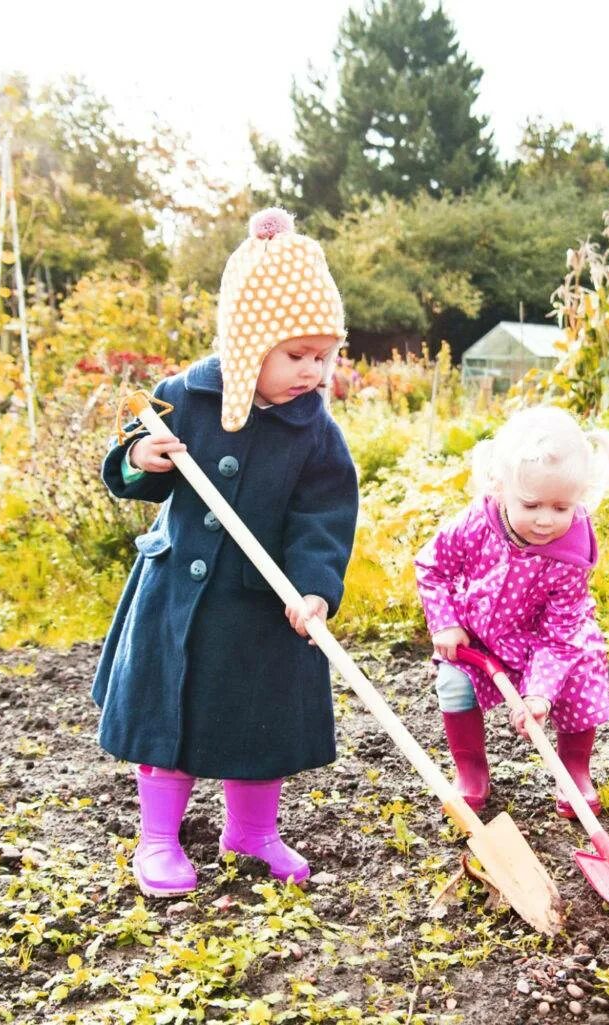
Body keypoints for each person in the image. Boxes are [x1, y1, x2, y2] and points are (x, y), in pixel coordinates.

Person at [93, 208, 359, 896]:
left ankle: (251, 832)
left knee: (256, 720)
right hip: (177, 597)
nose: (312, 371)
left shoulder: (315, 432)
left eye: (322, 357)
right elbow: (131, 468)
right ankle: (158, 838)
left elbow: (323, 516)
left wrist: (313, 587)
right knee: (169, 716)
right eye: (296, 355)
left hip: (259, 609)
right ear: (248, 343)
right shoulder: (186, 397)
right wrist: (140, 457)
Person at [414, 406, 609, 818]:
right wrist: (447, 622)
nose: (546, 520)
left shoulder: (571, 554)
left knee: (581, 677)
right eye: (532, 505)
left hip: (544, 644)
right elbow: (432, 567)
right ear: (499, 487)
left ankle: (574, 770)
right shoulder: (474, 524)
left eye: (561, 508)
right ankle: (470, 768)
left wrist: (540, 692)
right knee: (455, 684)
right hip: (477, 636)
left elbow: (561, 634)